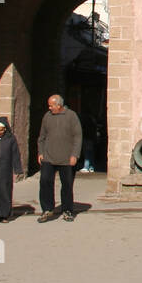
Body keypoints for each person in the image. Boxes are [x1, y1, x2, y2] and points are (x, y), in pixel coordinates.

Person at [37, 94, 82, 222]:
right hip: (48, 157)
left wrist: (75, 155)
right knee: (45, 182)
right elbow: (42, 137)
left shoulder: (71, 116)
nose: (49, 108)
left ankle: (67, 210)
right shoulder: (47, 116)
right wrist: (40, 152)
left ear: (59, 105)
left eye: (51, 105)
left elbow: (78, 137)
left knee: (67, 184)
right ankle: (47, 209)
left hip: (67, 159)